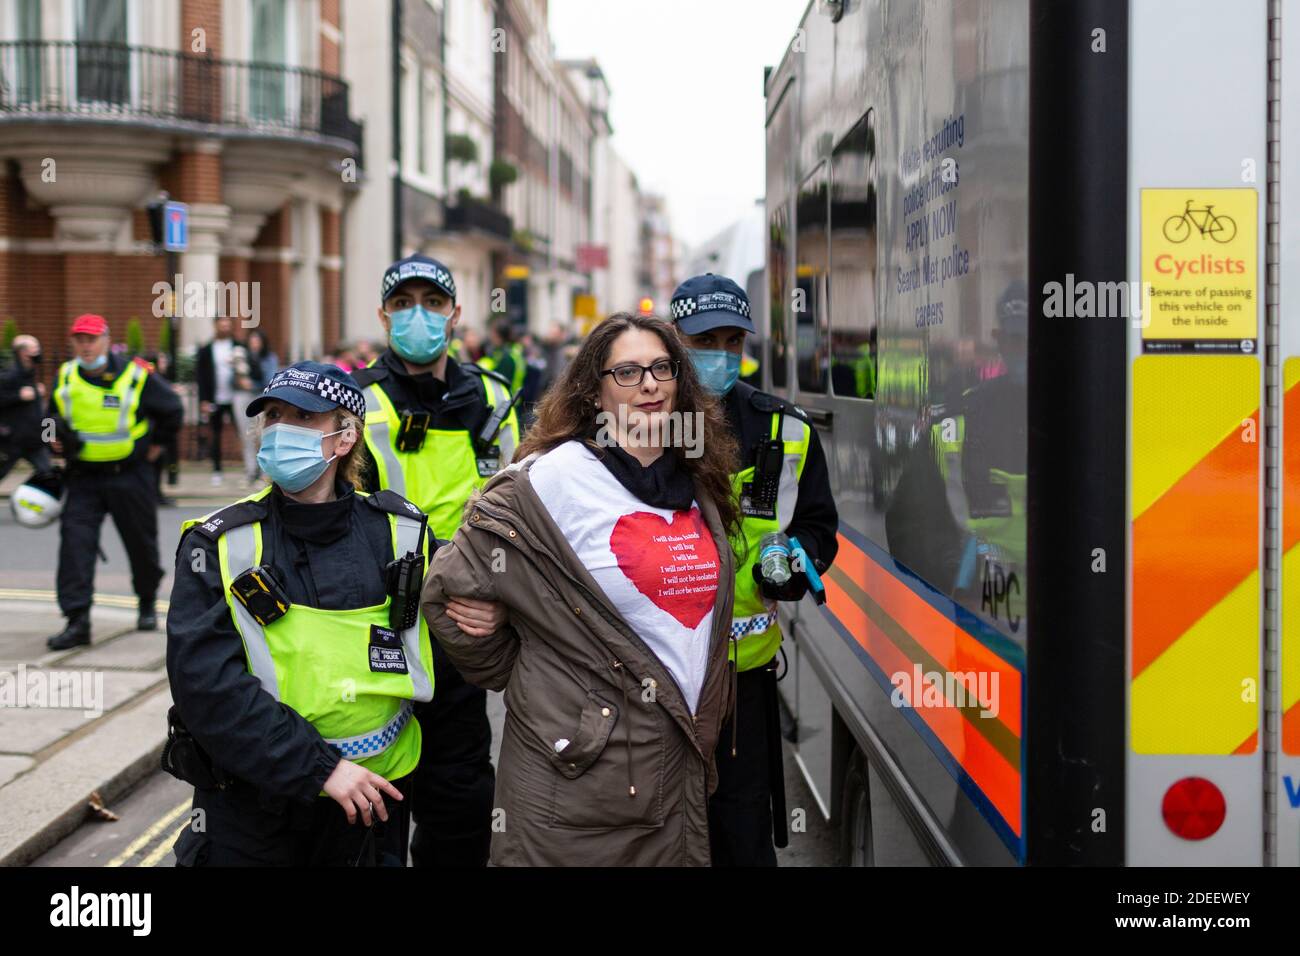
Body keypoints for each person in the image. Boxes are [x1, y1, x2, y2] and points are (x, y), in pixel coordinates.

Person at [421, 313, 741, 866]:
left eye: (662, 368)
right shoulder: (552, 478)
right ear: (593, 391)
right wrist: (531, 673)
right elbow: (447, 594)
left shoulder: (694, 477)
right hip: (574, 782)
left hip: (675, 769)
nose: (649, 384)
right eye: (627, 372)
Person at [166, 362, 438, 867]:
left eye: (302, 417)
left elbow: (443, 650)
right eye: (273, 415)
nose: (280, 429)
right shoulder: (219, 543)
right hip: (255, 806)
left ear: (344, 437)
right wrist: (321, 769)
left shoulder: (402, 533)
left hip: (372, 803)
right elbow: (207, 687)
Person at [352, 253, 519, 868]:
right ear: (383, 315)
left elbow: (523, 508)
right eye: (402, 305)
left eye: (431, 303)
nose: (416, 316)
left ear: (454, 313)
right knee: (380, 788)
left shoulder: (495, 400)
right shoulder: (357, 400)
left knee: (461, 795)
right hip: (377, 621)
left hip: (460, 620)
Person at [669, 273, 839, 867]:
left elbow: (818, 526)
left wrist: (795, 565)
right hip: (656, 684)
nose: (719, 355)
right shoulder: (637, 428)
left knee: (741, 838)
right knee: (659, 836)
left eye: (731, 342)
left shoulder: (783, 429)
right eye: (703, 341)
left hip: (746, 680)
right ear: (673, 341)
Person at [45, 314, 183, 649]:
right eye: (80, 339)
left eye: (92, 339)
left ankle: (147, 602)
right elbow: (47, 419)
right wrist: (52, 439)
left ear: (106, 340)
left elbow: (173, 409)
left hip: (130, 475)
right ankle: (77, 621)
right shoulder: (65, 375)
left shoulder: (135, 375)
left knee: (141, 546)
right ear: (73, 342)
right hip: (83, 478)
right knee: (75, 547)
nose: (86, 346)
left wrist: (156, 447)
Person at [196, 316, 251, 487]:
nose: (225, 328)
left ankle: (249, 469)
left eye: (228, 325)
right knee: (216, 434)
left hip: (235, 397)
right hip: (215, 398)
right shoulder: (206, 349)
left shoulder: (238, 346)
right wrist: (203, 400)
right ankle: (217, 470)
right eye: (222, 325)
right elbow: (201, 378)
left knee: (244, 433)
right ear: (215, 326)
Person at [0, 334, 52, 481]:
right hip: (12, 441)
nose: (39, 351)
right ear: (23, 353)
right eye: (35, 348)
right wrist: (18, 396)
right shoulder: (10, 375)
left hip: (33, 440)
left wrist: (49, 435)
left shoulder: (30, 373)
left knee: (48, 473)